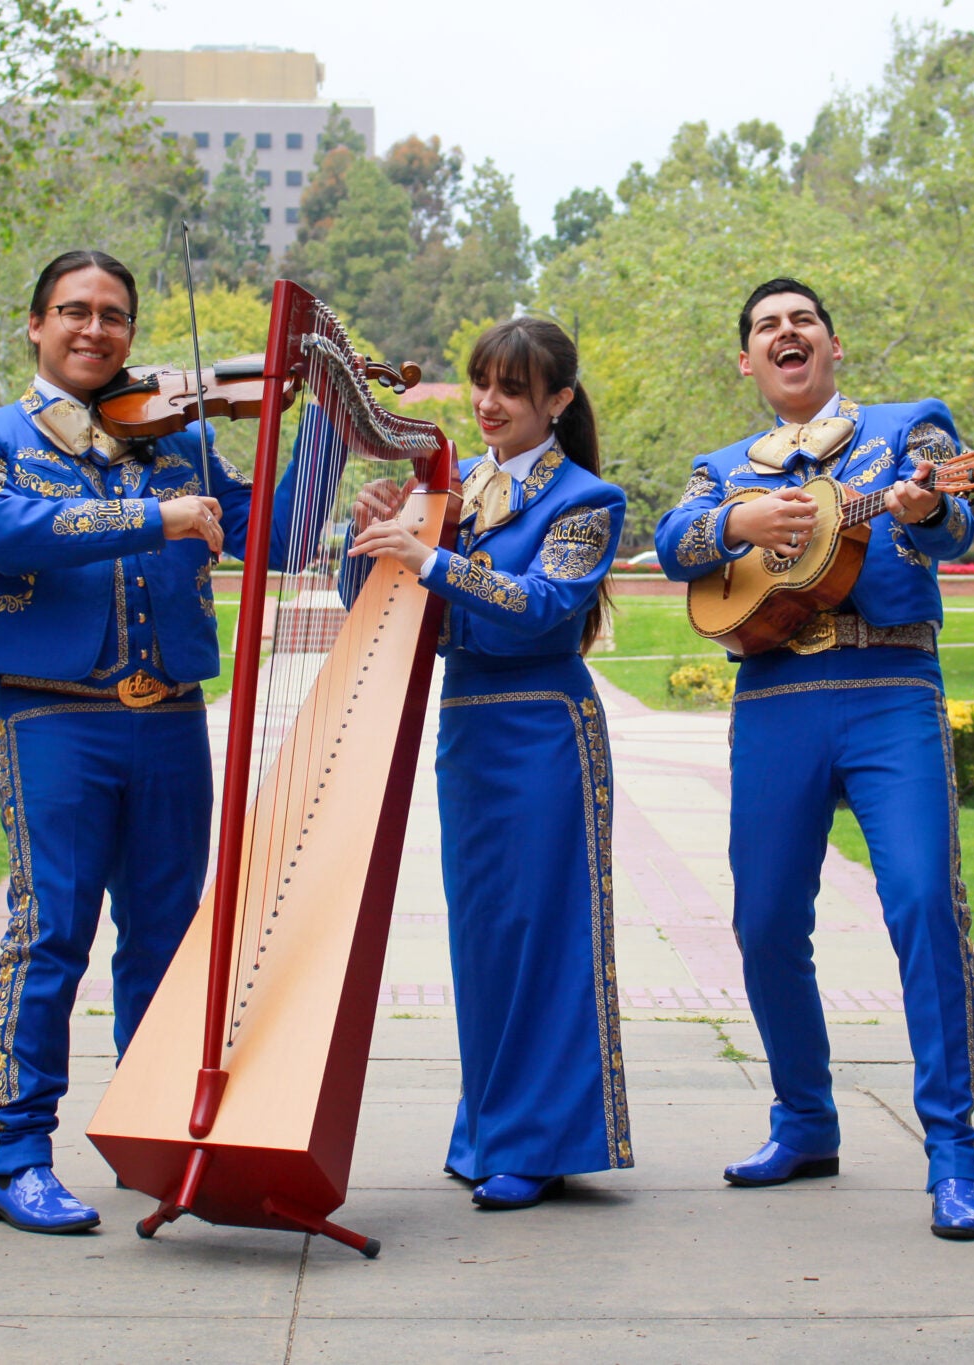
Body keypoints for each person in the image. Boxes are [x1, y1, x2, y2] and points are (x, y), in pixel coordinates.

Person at [0, 249, 363, 1234]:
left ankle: (151, 1132)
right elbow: (10, 531)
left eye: (114, 315)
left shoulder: (176, 444)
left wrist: (329, 431)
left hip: (167, 715)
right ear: (35, 326)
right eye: (74, 312)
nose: (95, 330)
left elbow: (283, 536)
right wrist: (153, 517)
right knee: (49, 932)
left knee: (169, 946)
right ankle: (11, 1154)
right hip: (53, 715)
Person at [654, 278, 974, 1239]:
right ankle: (803, 1119)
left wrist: (925, 509)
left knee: (924, 902)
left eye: (803, 320)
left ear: (834, 347)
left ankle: (953, 1149)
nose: (786, 333)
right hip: (775, 699)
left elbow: (956, 523)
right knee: (763, 922)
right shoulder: (720, 466)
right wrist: (739, 525)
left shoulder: (908, 428)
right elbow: (675, 544)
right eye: (766, 326)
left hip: (890, 690)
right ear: (749, 363)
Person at [352, 317, 631, 1210]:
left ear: (557, 401)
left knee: (546, 934)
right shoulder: (455, 489)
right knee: (482, 937)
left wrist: (429, 557)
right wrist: (372, 546)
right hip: (468, 726)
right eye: (483, 383)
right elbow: (408, 613)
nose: (489, 403)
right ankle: (489, 1127)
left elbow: (543, 606)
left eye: (513, 388)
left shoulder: (589, 499)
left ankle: (541, 1141)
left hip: (548, 728)